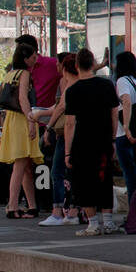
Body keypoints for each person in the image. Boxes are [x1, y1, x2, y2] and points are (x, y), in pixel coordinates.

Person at [64, 49, 121, 237]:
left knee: (84, 182)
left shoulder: (72, 91)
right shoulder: (106, 85)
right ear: (93, 63)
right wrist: (112, 139)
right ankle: (109, 222)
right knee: (105, 180)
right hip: (104, 139)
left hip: (82, 142)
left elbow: (70, 123)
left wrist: (67, 151)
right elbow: (114, 114)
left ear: (76, 66)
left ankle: (93, 224)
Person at [0, 43, 44, 218]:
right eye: (33, 57)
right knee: (20, 165)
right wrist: (31, 120)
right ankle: (12, 206)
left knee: (24, 165)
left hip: (12, 118)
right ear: (25, 59)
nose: (36, 59)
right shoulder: (24, 74)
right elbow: (23, 99)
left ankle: (32, 205)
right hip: (22, 119)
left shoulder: (10, 74)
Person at [35, 54, 79, 228]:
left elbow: (62, 110)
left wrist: (48, 127)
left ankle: (57, 211)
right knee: (75, 174)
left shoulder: (70, 86)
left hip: (67, 133)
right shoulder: (85, 83)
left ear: (64, 67)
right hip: (83, 133)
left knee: (57, 172)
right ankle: (75, 211)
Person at [113, 51, 136, 190]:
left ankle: (134, 207)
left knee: (129, 173)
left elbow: (126, 101)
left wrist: (126, 128)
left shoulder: (122, 80)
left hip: (125, 134)